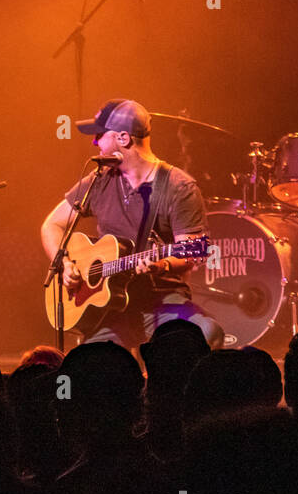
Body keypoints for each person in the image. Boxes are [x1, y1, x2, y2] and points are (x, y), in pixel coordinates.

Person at [41, 98, 222, 349]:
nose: (95, 143)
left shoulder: (178, 187)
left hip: (162, 300)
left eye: (100, 136)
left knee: (207, 333)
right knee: (90, 365)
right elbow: (51, 225)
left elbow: (193, 250)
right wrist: (65, 263)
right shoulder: (100, 179)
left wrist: (162, 264)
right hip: (111, 309)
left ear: (123, 138)